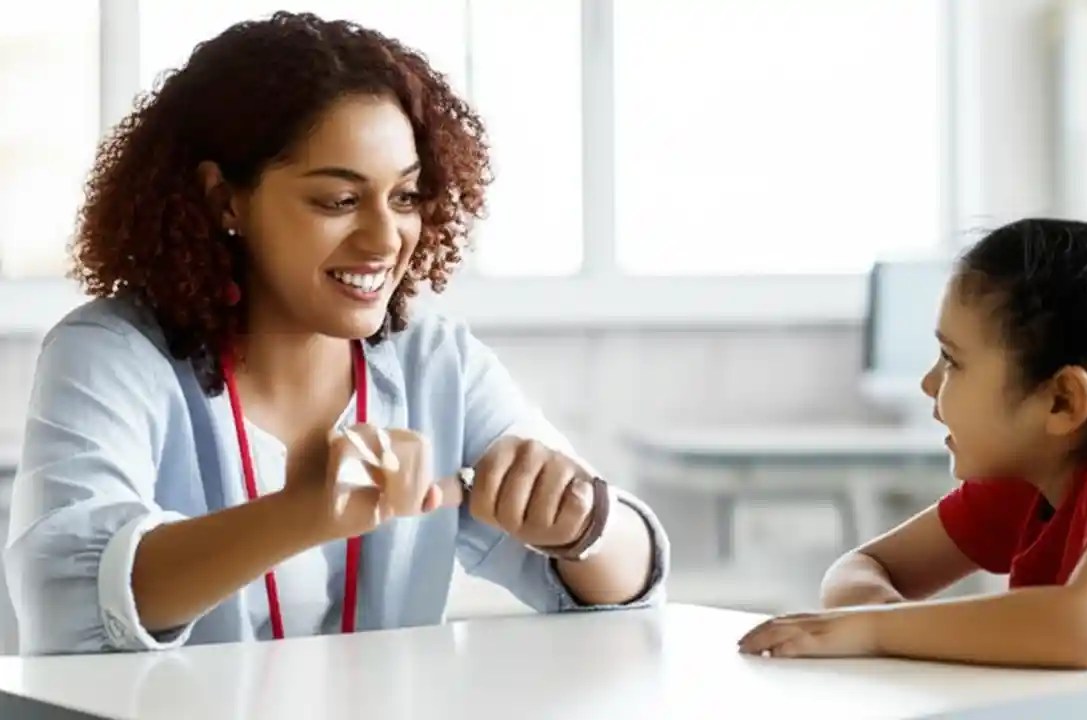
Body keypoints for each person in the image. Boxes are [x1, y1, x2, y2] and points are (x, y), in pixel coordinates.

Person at [5, 12, 668, 655]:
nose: (385, 238)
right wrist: (305, 510)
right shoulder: (110, 353)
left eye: (404, 197)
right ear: (222, 200)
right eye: (339, 201)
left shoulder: (433, 360)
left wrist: (583, 524)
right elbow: (69, 596)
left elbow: (625, 585)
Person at [739, 219, 1087, 718]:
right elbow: (861, 568)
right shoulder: (1036, 470)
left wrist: (874, 631)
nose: (929, 384)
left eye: (952, 361)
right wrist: (875, 620)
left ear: (1063, 401)